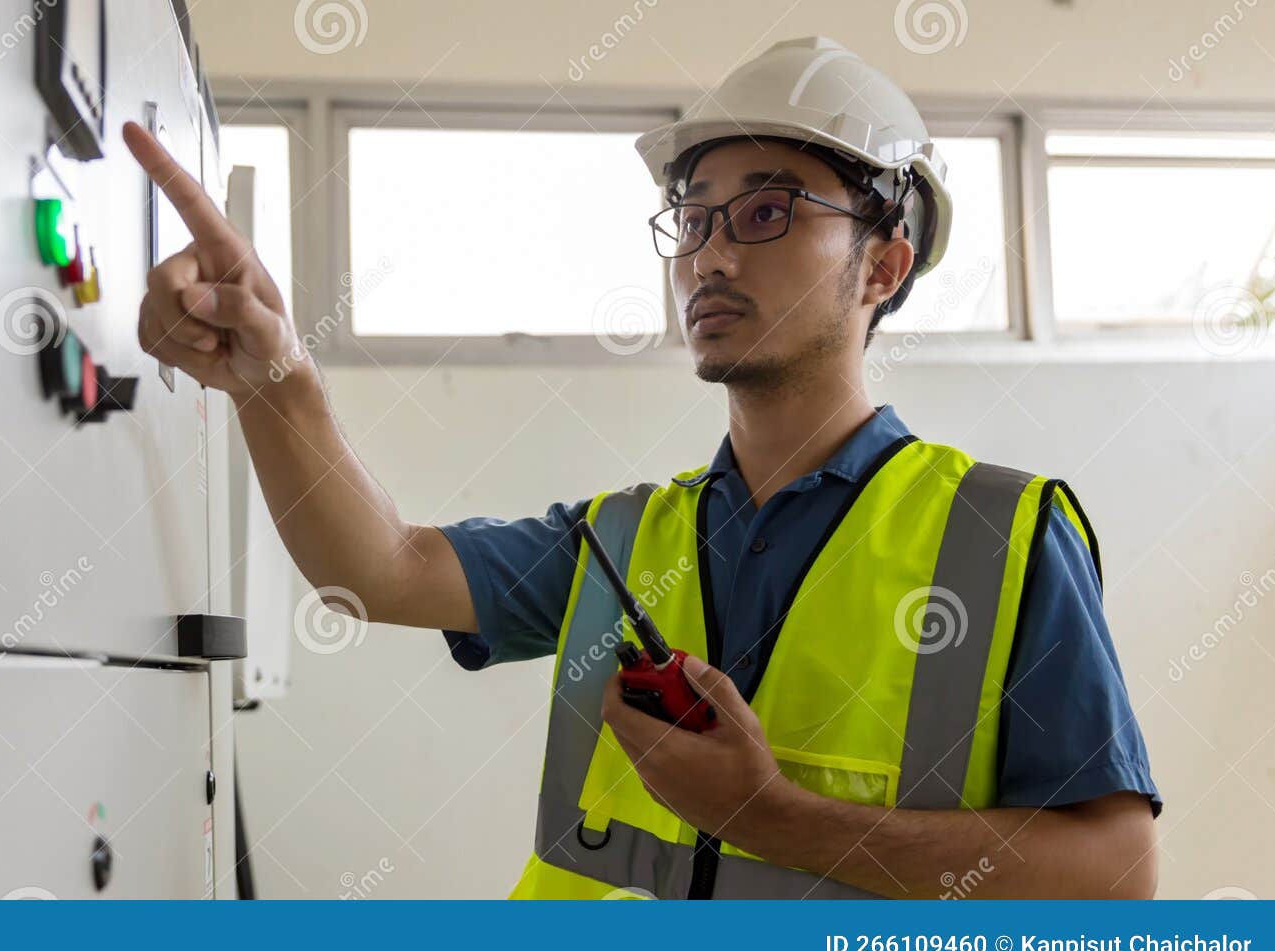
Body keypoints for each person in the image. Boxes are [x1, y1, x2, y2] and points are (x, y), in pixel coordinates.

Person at [123, 35, 1159, 900]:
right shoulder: (622, 541)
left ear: (881, 266)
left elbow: (1114, 871)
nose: (708, 257)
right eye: (692, 220)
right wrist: (272, 379)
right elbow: (377, 571)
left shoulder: (995, 535)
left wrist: (772, 818)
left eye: (765, 213)